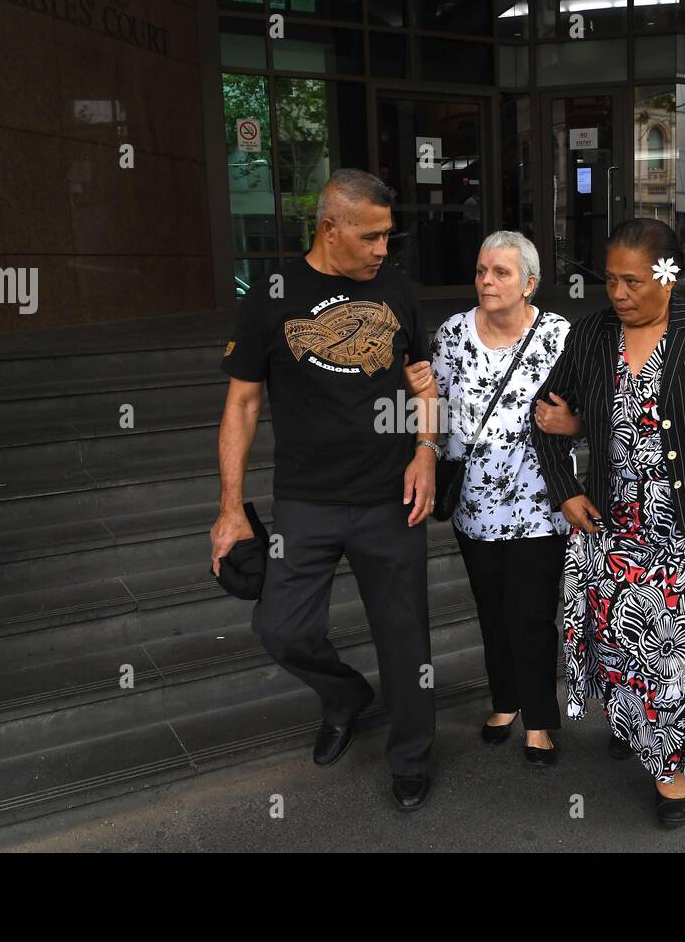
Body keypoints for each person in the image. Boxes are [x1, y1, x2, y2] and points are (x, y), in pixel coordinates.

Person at [532, 217, 685, 828]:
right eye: (610, 280)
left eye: (633, 281)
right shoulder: (589, 337)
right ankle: (634, 726)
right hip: (616, 533)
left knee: (675, 660)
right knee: (622, 649)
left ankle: (670, 770)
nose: (618, 293)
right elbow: (546, 417)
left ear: (670, 275)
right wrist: (564, 491)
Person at [211, 169, 438, 812]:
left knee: (405, 640)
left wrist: (426, 451)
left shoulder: (395, 288)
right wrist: (231, 509)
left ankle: (411, 756)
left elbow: (424, 382)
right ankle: (343, 695)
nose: (381, 250)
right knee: (280, 628)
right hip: (305, 501)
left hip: (390, 497)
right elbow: (243, 405)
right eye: (369, 237)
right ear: (329, 227)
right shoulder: (272, 294)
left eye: (388, 236)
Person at [404, 231, 575, 766]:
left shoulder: (559, 336)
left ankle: (541, 719)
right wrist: (424, 428)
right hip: (476, 504)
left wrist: (573, 423)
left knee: (529, 614)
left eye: (500, 272)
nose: (486, 281)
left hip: (541, 504)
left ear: (529, 282)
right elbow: (439, 407)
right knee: (493, 610)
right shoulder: (453, 333)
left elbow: (590, 407)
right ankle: (505, 699)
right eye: (481, 271)